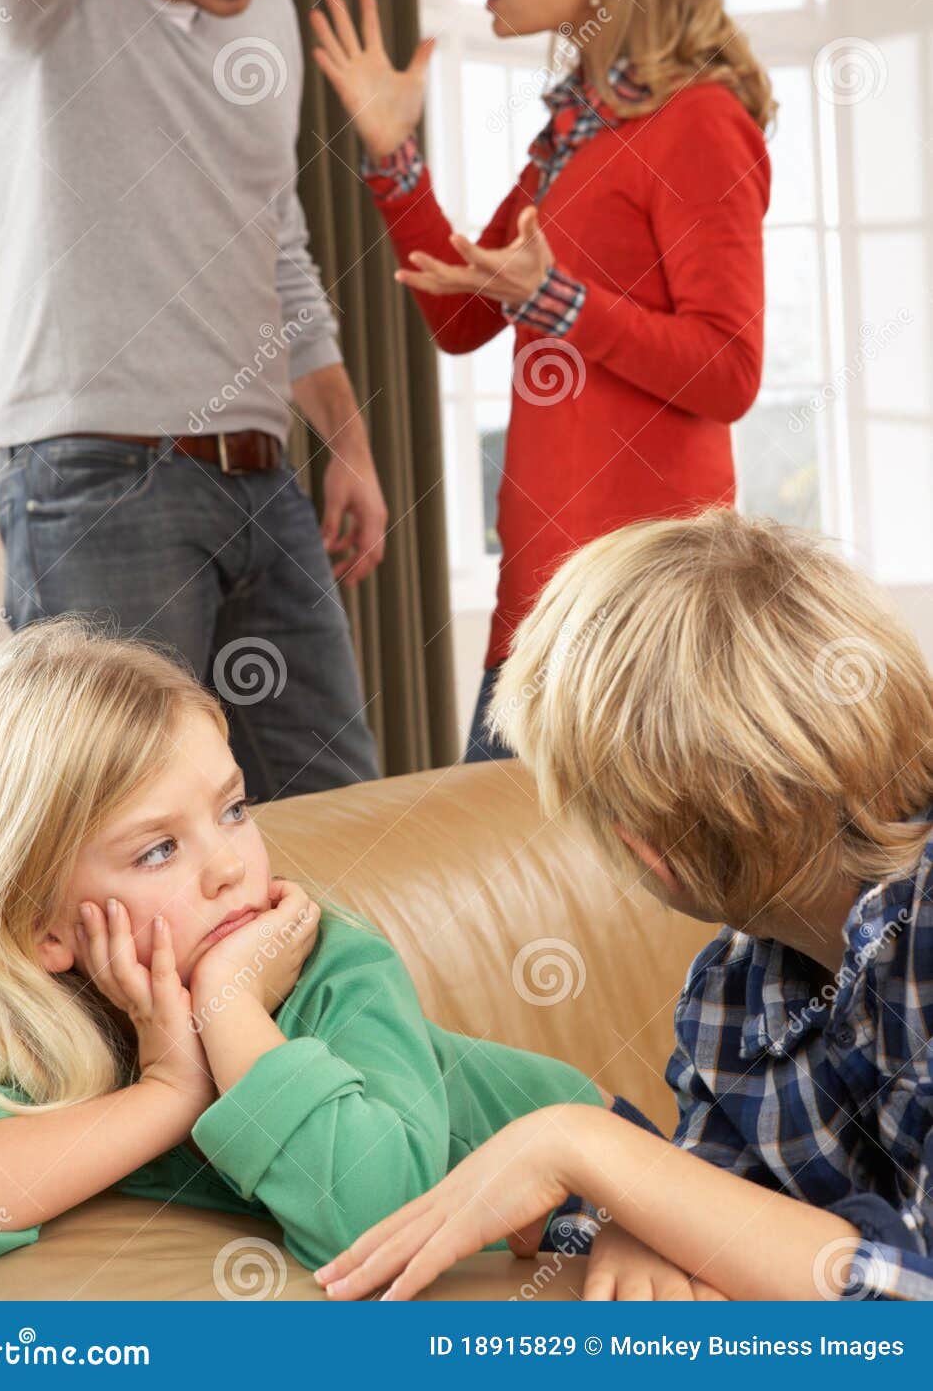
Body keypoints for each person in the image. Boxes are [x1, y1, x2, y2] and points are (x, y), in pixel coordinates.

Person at [0, 615, 606, 1288]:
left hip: (607, 1183)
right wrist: (165, 1093)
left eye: (233, 809)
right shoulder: (53, 1048)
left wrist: (229, 1003)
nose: (228, 866)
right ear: (42, 931)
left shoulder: (337, 969)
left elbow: (377, 1215)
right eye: (158, 850)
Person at [312, 506, 933, 1302]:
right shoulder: (731, 1003)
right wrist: (628, 1215)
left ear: (647, 850)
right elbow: (721, 1221)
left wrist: (580, 1145)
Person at [0, 0, 382, 802]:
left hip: (259, 477)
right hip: (95, 481)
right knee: (118, 821)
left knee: (339, 813)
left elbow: (272, 239)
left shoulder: (271, 19)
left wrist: (344, 438)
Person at [310, 0, 774, 763]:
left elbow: (726, 370)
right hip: (536, 604)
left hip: (638, 625)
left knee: (614, 913)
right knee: (519, 906)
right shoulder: (582, 128)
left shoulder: (698, 122)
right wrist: (395, 155)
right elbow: (459, 313)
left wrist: (558, 302)